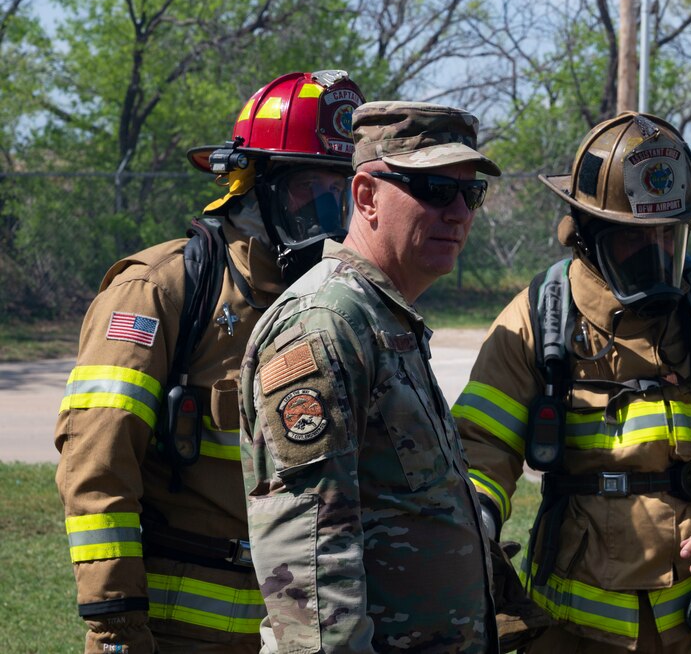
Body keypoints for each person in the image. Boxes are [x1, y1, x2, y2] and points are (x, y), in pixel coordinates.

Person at [452, 111, 691, 652]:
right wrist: (477, 527)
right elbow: (480, 447)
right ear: (584, 233)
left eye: (669, 236)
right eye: (635, 239)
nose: (657, 254)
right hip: (579, 631)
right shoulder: (535, 319)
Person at [55, 70, 363, 654]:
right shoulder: (161, 291)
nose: (330, 211)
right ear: (254, 183)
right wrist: (115, 621)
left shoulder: (338, 305)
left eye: (343, 190)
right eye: (310, 187)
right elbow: (96, 467)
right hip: (174, 633)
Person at [239, 101, 502, 653]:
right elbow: (309, 559)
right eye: (433, 190)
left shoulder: (383, 315)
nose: (457, 212)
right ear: (365, 196)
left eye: (469, 193)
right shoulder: (326, 322)